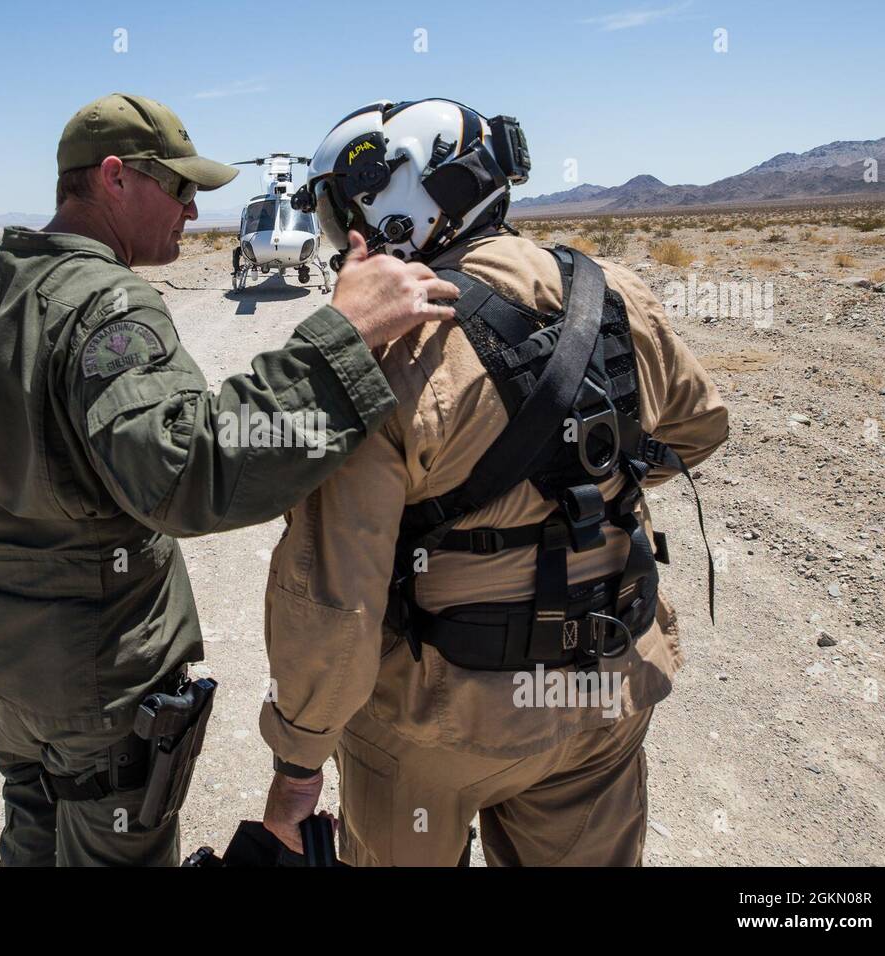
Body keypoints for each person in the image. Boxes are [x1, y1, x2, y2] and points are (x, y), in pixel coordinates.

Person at [0, 92, 460, 866]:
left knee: (33, 834)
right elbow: (190, 473)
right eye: (178, 189)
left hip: (1, 671)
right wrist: (341, 340)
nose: (192, 213)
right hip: (100, 695)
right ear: (114, 177)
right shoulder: (106, 304)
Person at [259, 98, 729, 866]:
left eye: (341, 209)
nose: (339, 232)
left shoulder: (383, 356)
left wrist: (297, 764)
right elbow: (699, 428)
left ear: (397, 202)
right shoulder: (614, 291)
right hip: (602, 694)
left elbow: (332, 597)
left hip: (438, 723)